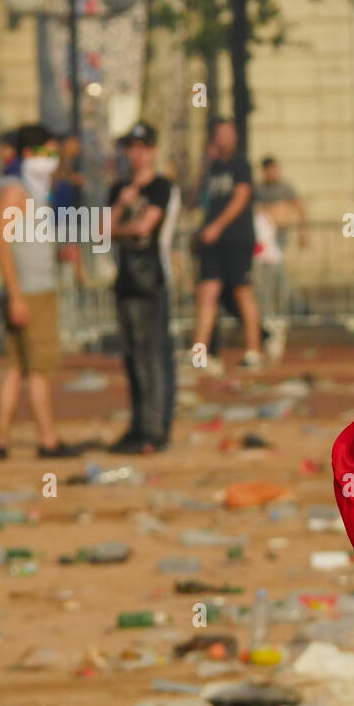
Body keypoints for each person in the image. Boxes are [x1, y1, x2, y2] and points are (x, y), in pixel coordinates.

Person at [0, 123, 80, 460]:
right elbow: (1, 242)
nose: (54, 159)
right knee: (39, 369)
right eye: (48, 152)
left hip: (31, 288)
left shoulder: (35, 189)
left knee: (15, 368)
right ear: (29, 153)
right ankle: (48, 441)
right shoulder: (16, 191)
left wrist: (58, 253)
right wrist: (15, 295)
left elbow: (28, 240)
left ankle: (0, 442)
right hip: (30, 293)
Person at [107, 122, 180, 454]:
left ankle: (156, 427)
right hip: (125, 282)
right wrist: (122, 205)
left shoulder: (163, 187)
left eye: (142, 147)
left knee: (154, 356)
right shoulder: (118, 188)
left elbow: (144, 226)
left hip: (153, 281)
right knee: (132, 356)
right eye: (130, 148)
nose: (136, 154)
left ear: (152, 150)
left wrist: (122, 225)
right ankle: (137, 425)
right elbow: (102, 229)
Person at [192, 118, 263, 370]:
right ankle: (199, 354)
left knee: (242, 292)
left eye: (227, 133)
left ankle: (254, 350)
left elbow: (241, 197)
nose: (223, 138)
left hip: (236, 238)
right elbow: (198, 199)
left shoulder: (240, 164)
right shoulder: (211, 167)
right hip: (212, 242)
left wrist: (217, 226)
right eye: (218, 133)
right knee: (207, 293)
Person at [256, 156, 309, 250]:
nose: (271, 172)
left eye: (273, 168)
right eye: (268, 169)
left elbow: (301, 209)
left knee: (279, 262)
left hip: (281, 233)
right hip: (264, 234)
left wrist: (303, 234)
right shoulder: (259, 189)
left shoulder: (285, 188)